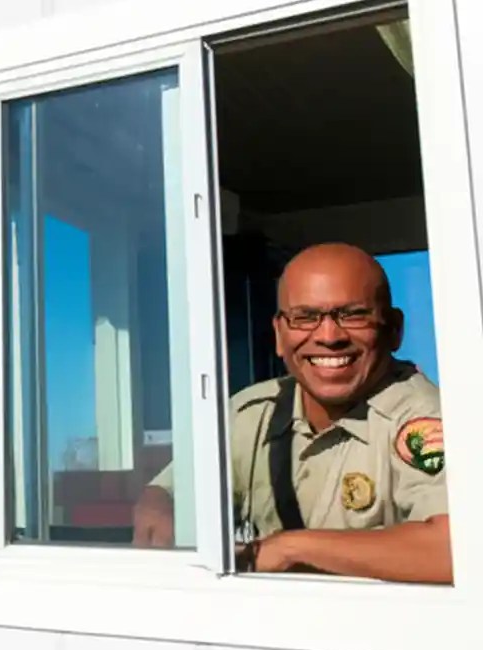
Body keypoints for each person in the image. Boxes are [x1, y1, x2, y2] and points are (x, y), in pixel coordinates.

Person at [132, 242, 452, 584]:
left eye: (354, 314)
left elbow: (453, 551)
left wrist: (291, 549)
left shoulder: (425, 420)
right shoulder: (253, 413)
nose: (329, 336)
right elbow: (165, 492)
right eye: (305, 317)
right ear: (279, 335)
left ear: (394, 330)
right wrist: (158, 509)